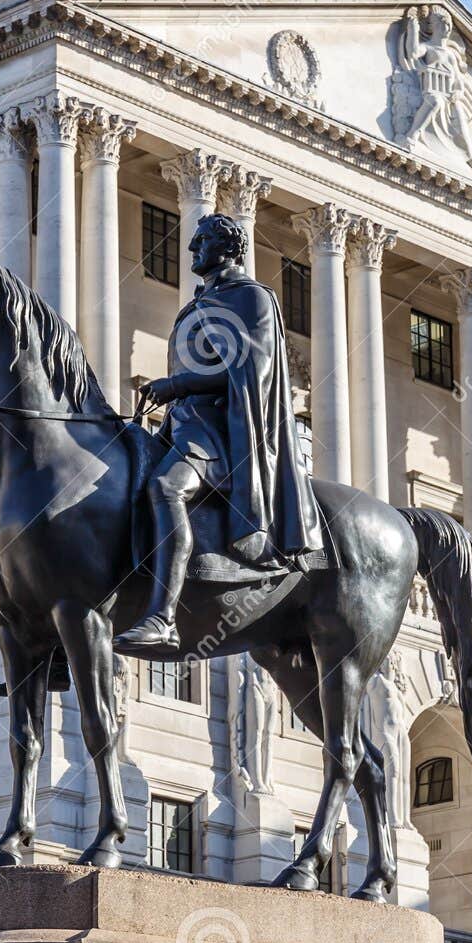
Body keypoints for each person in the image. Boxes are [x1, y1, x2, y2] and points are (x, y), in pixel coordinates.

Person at [113, 213, 323, 654]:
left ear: (227, 247)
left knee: (166, 488)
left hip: (226, 433)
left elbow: (252, 371)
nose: (192, 250)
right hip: (183, 426)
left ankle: (163, 618)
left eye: (201, 241)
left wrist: (179, 385)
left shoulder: (252, 299)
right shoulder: (198, 304)